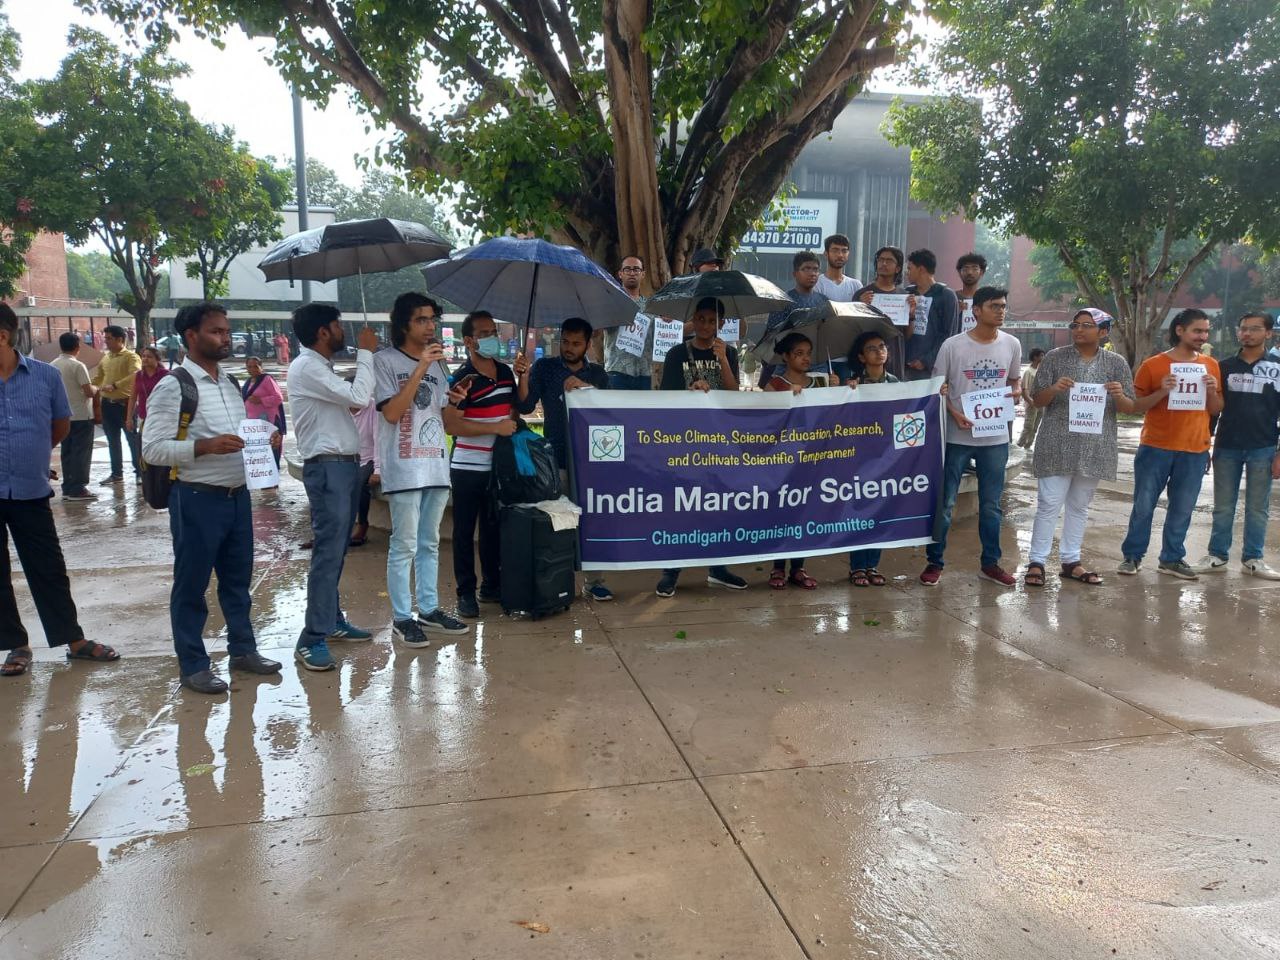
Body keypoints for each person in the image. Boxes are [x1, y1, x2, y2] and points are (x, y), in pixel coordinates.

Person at [142, 301, 281, 694]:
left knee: (238, 582)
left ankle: (243, 650)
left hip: (237, 498)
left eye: (226, 330)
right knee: (191, 585)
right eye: (217, 332)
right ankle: (193, 664)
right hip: (196, 498)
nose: (226, 338)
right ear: (191, 336)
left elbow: (236, 433)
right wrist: (202, 447)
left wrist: (260, 439)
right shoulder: (174, 386)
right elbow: (152, 448)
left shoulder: (229, 383)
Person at [0, 304, 121, 678]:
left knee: (48, 569)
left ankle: (74, 641)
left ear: (2, 335)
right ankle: (16, 644)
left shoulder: (43, 377)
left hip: (31, 490)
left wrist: (32, 458)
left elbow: (60, 427)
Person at [373, 292, 470, 645]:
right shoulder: (384, 362)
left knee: (429, 543)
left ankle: (428, 609)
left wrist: (454, 401)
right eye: (422, 320)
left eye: (433, 320)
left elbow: (444, 422)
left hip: (435, 466)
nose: (431, 326)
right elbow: (392, 413)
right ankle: (402, 617)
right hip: (404, 468)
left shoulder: (440, 366)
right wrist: (421, 368)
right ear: (403, 325)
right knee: (404, 545)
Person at [288, 304, 379, 671]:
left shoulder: (318, 367)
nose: (344, 331)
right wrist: (368, 351)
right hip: (328, 469)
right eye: (338, 325)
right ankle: (311, 637)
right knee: (328, 552)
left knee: (337, 550)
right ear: (323, 332)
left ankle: (332, 619)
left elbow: (349, 403)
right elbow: (358, 397)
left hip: (340, 467)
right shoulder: (307, 366)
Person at [1024, 309, 1135, 588]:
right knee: (1048, 504)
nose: (1079, 330)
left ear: (1103, 332)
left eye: (1087, 325)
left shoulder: (1116, 363)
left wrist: (1119, 394)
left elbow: (1128, 407)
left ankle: (1071, 561)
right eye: (1075, 325)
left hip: (1094, 445)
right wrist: (1055, 389)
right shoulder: (1054, 358)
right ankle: (1037, 561)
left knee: (1080, 506)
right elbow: (1037, 400)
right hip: (1056, 443)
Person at [921, 286, 1022, 587]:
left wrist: (1014, 394)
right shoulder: (953, 346)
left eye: (1003, 306)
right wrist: (954, 413)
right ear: (976, 310)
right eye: (994, 306)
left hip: (994, 439)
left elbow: (1014, 381)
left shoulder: (1012, 344)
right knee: (946, 503)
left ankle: (990, 563)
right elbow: (937, 388)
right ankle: (934, 562)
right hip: (957, 437)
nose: (1001, 311)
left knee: (991, 506)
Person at [1118, 308, 1223, 579]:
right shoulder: (1153, 365)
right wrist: (1163, 390)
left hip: (1195, 449)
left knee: (1183, 508)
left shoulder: (1211, 366)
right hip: (1156, 447)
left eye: (1206, 331)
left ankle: (1172, 558)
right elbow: (1134, 406)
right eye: (1197, 331)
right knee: (1143, 505)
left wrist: (1211, 389)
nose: (1203, 336)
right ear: (1180, 330)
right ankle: (1132, 556)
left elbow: (1216, 408)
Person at [515, 315, 614, 601]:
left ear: (588, 343)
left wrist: (584, 390)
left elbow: (610, 412)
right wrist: (522, 375)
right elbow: (524, 405)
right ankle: (559, 580)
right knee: (559, 522)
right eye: (565, 342)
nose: (569, 348)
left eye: (576, 343)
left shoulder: (598, 375)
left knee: (593, 521)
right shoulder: (545, 368)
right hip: (556, 457)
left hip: (592, 461)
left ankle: (594, 580)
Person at [656, 297, 748, 596]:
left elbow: (734, 395)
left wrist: (722, 359)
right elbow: (665, 398)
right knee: (681, 506)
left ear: (721, 323)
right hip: (684, 443)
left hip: (719, 442)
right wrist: (689, 390)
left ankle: (718, 568)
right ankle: (671, 571)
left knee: (718, 506)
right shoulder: (676, 353)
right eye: (701, 319)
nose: (706, 325)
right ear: (692, 321)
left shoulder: (729, 353)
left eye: (713, 320)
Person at [443, 310, 519, 619]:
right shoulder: (462, 378)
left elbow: (516, 409)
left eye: (494, 332)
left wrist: (523, 378)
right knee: (464, 532)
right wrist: (494, 428)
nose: (493, 338)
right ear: (469, 340)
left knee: (492, 530)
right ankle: (465, 592)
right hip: (467, 467)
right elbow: (451, 425)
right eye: (485, 333)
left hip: (497, 468)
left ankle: (491, 586)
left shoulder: (504, 372)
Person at [1192, 312, 1280, 579]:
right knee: (1223, 505)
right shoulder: (1223, 366)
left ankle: (1253, 558)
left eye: (1254, 329)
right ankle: (1217, 555)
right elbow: (1212, 411)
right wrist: (1205, 445)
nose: (1247, 334)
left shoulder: (1277, 367)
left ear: (1268, 333)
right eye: (1243, 328)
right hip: (1227, 445)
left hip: (1263, 447)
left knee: (1257, 507)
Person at [762, 331, 820, 590]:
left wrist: (844, 387)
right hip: (781, 462)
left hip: (812, 461)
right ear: (785, 356)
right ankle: (777, 568)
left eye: (808, 353)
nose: (805, 358)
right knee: (781, 513)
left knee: (803, 512)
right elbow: (765, 421)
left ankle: (798, 567)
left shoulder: (820, 383)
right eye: (798, 353)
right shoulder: (774, 384)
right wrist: (785, 399)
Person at [845, 330, 902, 587]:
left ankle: (872, 565)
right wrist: (845, 392)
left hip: (887, 458)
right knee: (859, 511)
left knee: (880, 510)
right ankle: (857, 566)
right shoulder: (853, 385)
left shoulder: (897, 385)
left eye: (882, 346)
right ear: (861, 356)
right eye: (871, 348)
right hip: (859, 458)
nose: (879, 351)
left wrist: (938, 393)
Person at [759, 250, 830, 385]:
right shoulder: (783, 302)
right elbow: (772, 337)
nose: (812, 273)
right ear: (795, 274)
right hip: (786, 371)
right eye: (806, 269)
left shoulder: (825, 302)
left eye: (815, 269)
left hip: (818, 369)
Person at [91, 324, 142, 485]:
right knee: (112, 440)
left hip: (125, 404)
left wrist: (115, 385)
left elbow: (136, 375)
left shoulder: (131, 357)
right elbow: (98, 377)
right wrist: (87, 386)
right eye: (105, 338)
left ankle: (140, 472)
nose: (106, 341)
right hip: (107, 404)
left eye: (109, 338)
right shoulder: (106, 358)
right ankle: (116, 473)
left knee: (132, 440)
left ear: (120, 339)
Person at [50, 332, 98, 501]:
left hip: (62, 416)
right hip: (81, 415)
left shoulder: (52, 365)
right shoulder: (78, 366)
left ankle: (68, 487)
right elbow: (88, 391)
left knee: (67, 452)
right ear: (77, 347)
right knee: (81, 453)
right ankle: (78, 488)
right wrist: (97, 389)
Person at [856, 246, 916, 380]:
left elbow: (906, 335)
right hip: (868, 361)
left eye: (889, 261)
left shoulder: (905, 296)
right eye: (880, 260)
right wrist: (860, 306)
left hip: (896, 356)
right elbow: (854, 330)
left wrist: (911, 315)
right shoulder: (863, 294)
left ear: (898, 268)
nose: (883, 264)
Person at [903, 249, 960, 383]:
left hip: (933, 370)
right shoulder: (906, 293)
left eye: (910, 269)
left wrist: (927, 360)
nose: (907, 273)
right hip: (905, 367)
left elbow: (949, 334)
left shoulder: (946, 295)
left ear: (921, 269)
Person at [602, 255, 655, 391]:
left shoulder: (651, 307)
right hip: (616, 372)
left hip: (644, 374)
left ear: (643, 274)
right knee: (616, 413)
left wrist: (668, 322)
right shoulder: (610, 302)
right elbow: (596, 329)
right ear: (620, 274)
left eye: (636, 269)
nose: (632, 273)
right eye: (627, 269)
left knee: (642, 413)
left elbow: (663, 334)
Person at [241, 355, 286, 469]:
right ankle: (262, 478)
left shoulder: (267, 379)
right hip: (254, 425)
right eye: (249, 367)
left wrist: (260, 400)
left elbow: (278, 397)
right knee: (260, 452)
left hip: (269, 422)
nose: (252, 370)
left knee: (272, 449)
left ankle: (272, 480)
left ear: (261, 367)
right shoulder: (248, 382)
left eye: (255, 367)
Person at [125, 346, 168, 445]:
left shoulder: (166, 374)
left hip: (161, 417)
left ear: (157, 359)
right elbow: (132, 398)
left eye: (149, 357)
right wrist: (129, 418)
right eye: (143, 356)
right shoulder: (138, 375)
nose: (145, 359)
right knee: (145, 445)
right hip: (144, 416)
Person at [816, 234, 861, 301]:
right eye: (835, 250)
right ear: (826, 254)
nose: (840, 255)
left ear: (848, 254)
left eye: (844, 251)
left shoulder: (856, 285)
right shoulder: (817, 283)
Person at [1016, 347, 1046, 448]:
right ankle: (1020, 445)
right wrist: (1031, 402)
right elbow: (1024, 389)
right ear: (1035, 357)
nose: (1043, 357)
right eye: (1041, 355)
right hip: (1032, 403)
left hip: (1041, 403)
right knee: (1028, 426)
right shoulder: (1028, 372)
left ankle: (1028, 448)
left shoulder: (1041, 371)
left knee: (1035, 428)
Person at [954, 252, 988, 335]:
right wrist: (954, 311)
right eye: (965, 268)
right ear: (959, 272)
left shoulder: (987, 298)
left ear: (982, 272)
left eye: (975, 268)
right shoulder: (951, 297)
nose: (969, 272)